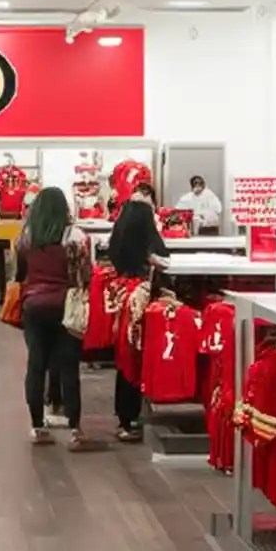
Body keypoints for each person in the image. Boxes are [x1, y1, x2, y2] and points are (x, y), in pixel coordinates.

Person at [15, 187, 91, 449]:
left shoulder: (27, 236)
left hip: (34, 306)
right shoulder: (75, 236)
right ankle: (74, 429)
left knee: (36, 365)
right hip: (66, 306)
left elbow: (19, 274)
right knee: (69, 367)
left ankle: (37, 426)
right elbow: (85, 274)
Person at [107, 182, 169, 442]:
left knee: (124, 357)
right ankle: (130, 417)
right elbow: (162, 252)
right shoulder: (146, 226)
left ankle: (125, 416)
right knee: (136, 356)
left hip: (123, 294)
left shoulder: (120, 229)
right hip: (139, 296)